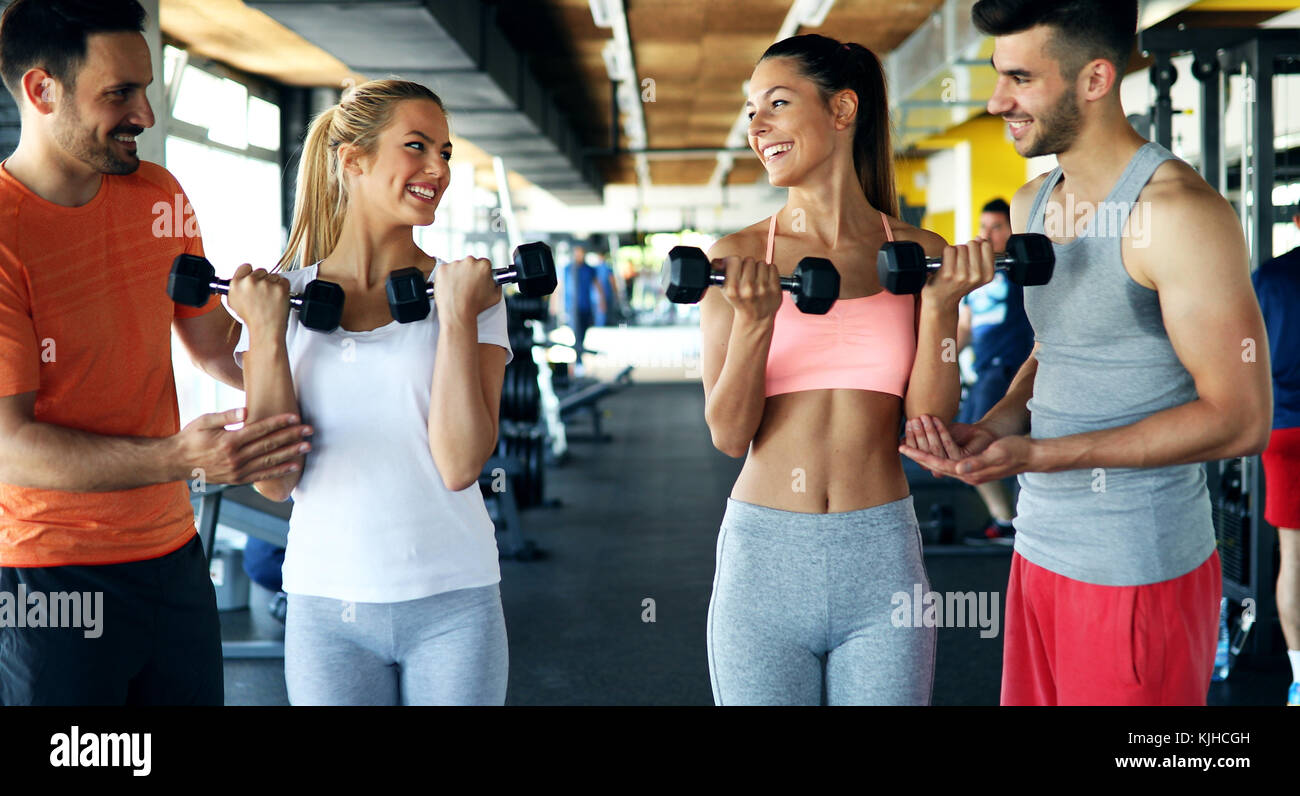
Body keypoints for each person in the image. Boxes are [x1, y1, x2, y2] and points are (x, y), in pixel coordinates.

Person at [900, 0, 1273, 705]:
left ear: (1096, 79)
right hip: (1040, 552)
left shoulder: (1178, 216)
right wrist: (1003, 424)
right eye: (996, 75)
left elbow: (1240, 419)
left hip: (1136, 567)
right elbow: (1055, 348)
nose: (996, 99)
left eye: (1019, 78)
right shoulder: (1035, 200)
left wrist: (1040, 454)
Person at [0, 0, 308, 706]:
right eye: (119, 94)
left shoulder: (160, 196)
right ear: (42, 91)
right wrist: (179, 458)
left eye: (147, 88)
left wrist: (300, 348)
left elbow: (215, 348)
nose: (146, 114)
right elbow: (7, 445)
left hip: (171, 556)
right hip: (50, 575)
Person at [699, 33, 995, 705]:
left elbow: (928, 424)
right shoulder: (737, 257)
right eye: (751, 112)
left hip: (880, 552)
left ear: (842, 110)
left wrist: (942, 306)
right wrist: (753, 322)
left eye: (776, 103)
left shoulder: (918, 254)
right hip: (764, 558)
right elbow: (726, 433)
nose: (757, 126)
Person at [227, 78, 513, 706]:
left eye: (445, 152)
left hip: (453, 600)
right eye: (417, 146)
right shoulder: (283, 301)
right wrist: (268, 336)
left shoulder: (468, 296)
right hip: (326, 603)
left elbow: (462, 463)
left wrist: (459, 320)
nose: (437, 168)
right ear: (352, 159)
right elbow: (275, 481)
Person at [956, 198, 1034, 544]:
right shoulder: (976, 279)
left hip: (1011, 373)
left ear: (1012, 231)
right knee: (964, 449)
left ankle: (1018, 525)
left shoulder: (1023, 272)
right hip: (983, 372)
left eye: (997, 227)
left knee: (980, 447)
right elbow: (965, 329)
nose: (987, 235)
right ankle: (1006, 521)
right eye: (983, 227)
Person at [1251, 206, 1300, 706]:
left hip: (1285, 427)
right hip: (1284, 424)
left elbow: (1249, 350)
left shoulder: (1269, 276)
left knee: (1294, 555)